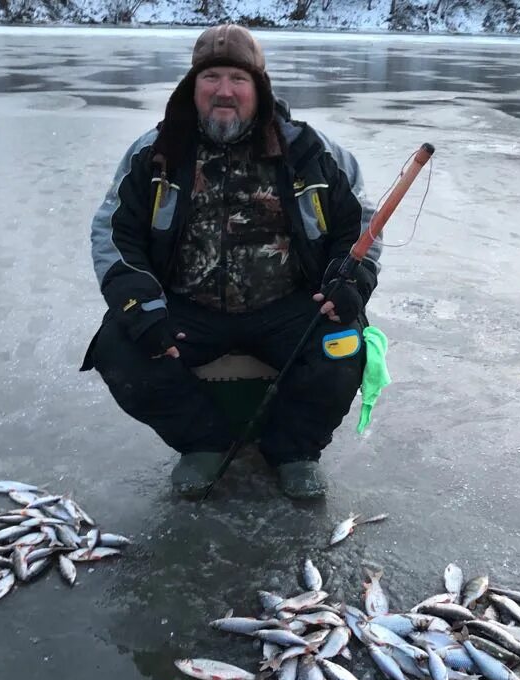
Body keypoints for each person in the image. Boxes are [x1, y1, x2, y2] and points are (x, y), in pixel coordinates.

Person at [80, 24, 380, 500]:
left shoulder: (311, 152)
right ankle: (204, 443)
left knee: (343, 346)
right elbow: (113, 232)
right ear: (192, 87)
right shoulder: (155, 153)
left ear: (258, 89)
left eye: (238, 79)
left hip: (289, 304)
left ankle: (294, 451)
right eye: (211, 77)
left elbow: (361, 225)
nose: (224, 91)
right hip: (187, 307)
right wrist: (140, 304)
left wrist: (352, 279)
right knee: (119, 349)